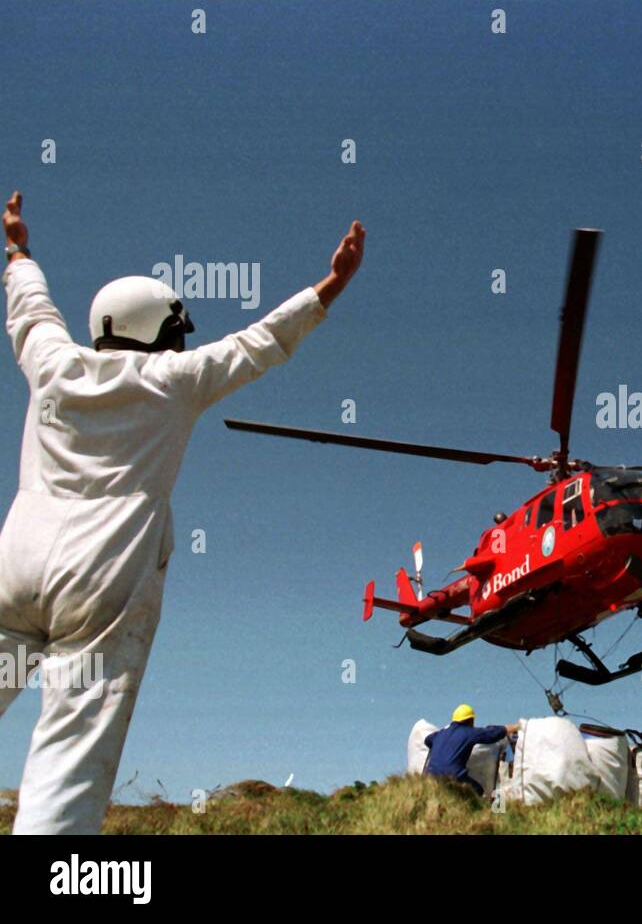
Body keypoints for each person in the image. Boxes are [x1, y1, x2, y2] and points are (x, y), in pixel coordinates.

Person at [0, 191, 365, 833]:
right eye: (172, 333)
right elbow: (260, 343)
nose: (177, 344)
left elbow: (30, 309)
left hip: (15, 564)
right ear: (156, 330)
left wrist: (19, 251)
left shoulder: (53, 365)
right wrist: (329, 287)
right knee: (70, 755)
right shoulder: (174, 381)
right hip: (103, 578)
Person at [423, 704, 518, 795]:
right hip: (453, 776)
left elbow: (427, 740)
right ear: (470, 720)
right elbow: (491, 734)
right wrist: (509, 728)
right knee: (478, 790)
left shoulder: (440, 734)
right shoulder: (469, 732)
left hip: (430, 776)